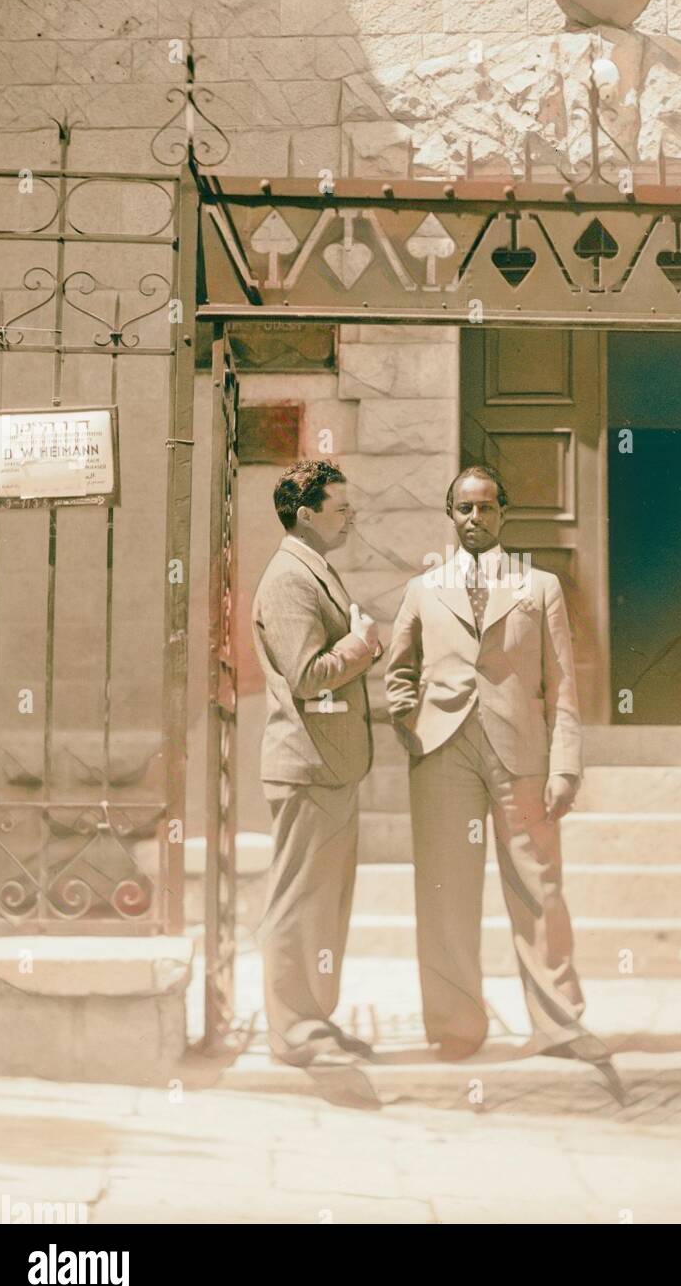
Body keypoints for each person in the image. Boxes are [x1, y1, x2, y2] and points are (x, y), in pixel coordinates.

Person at [385, 463, 614, 1078]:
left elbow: (563, 682)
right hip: (443, 753)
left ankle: (558, 1021)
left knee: (538, 887)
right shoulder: (423, 590)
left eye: (486, 507)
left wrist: (565, 763)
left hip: (522, 756)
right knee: (444, 892)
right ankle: (455, 1026)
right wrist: (411, 724)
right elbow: (398, 670)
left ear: (503, 514)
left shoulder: (539, 588)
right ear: (451, 516)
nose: (475, 518)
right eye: (464, 508)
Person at [251, 459, 383, 1068]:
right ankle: (294, 1031)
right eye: (340, 508)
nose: (350, 515)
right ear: (305, 516)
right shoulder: (289, 579)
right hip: (307, 764)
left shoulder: (314, 570)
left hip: (329, 764)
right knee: (298, 901)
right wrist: (360, 644)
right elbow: (309, 678)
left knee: (323, 903)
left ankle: (314, 1022)